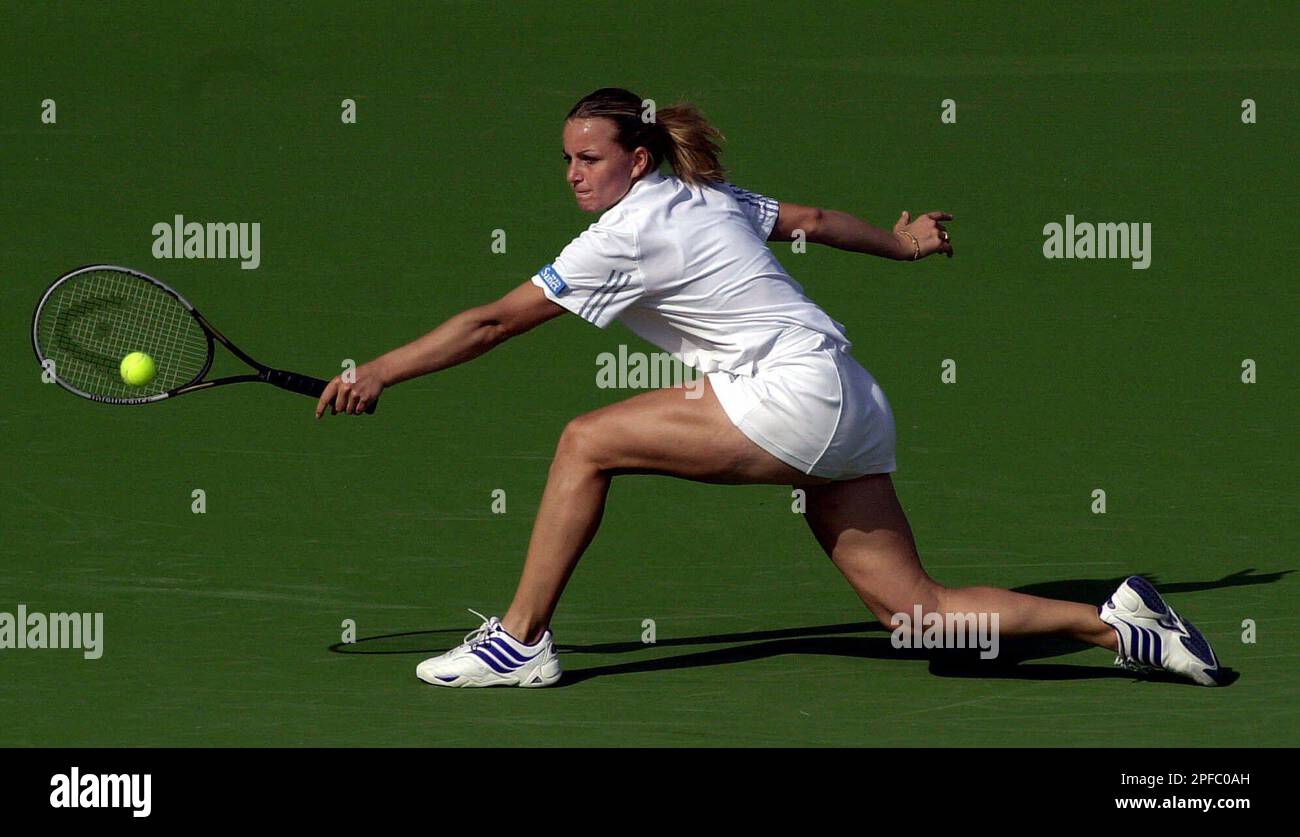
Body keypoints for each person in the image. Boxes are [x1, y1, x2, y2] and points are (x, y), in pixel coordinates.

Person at [316, 87, 1223, 688]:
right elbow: (816, 221)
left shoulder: (624, 234)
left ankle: (520, 640)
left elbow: (491, 322)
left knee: (584, 440)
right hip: (852, 400)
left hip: (787, 392)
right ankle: (1121, 626)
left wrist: (378, 371)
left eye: (589, 158)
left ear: (636, 158)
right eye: (565, 159)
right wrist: (901, 244)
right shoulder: (710, 198)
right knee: (919, 619)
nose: (573, 174)